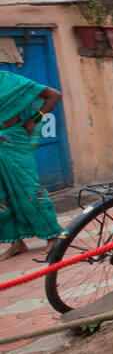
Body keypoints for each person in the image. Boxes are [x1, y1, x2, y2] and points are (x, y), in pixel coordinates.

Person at [0, 69, 62, 261]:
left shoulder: (9, 81)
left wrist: (32, 121)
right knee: (2, 195)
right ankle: (16, 242)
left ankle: (53, 236)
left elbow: (54, 95)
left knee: (30, 189)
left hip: (13, 141)